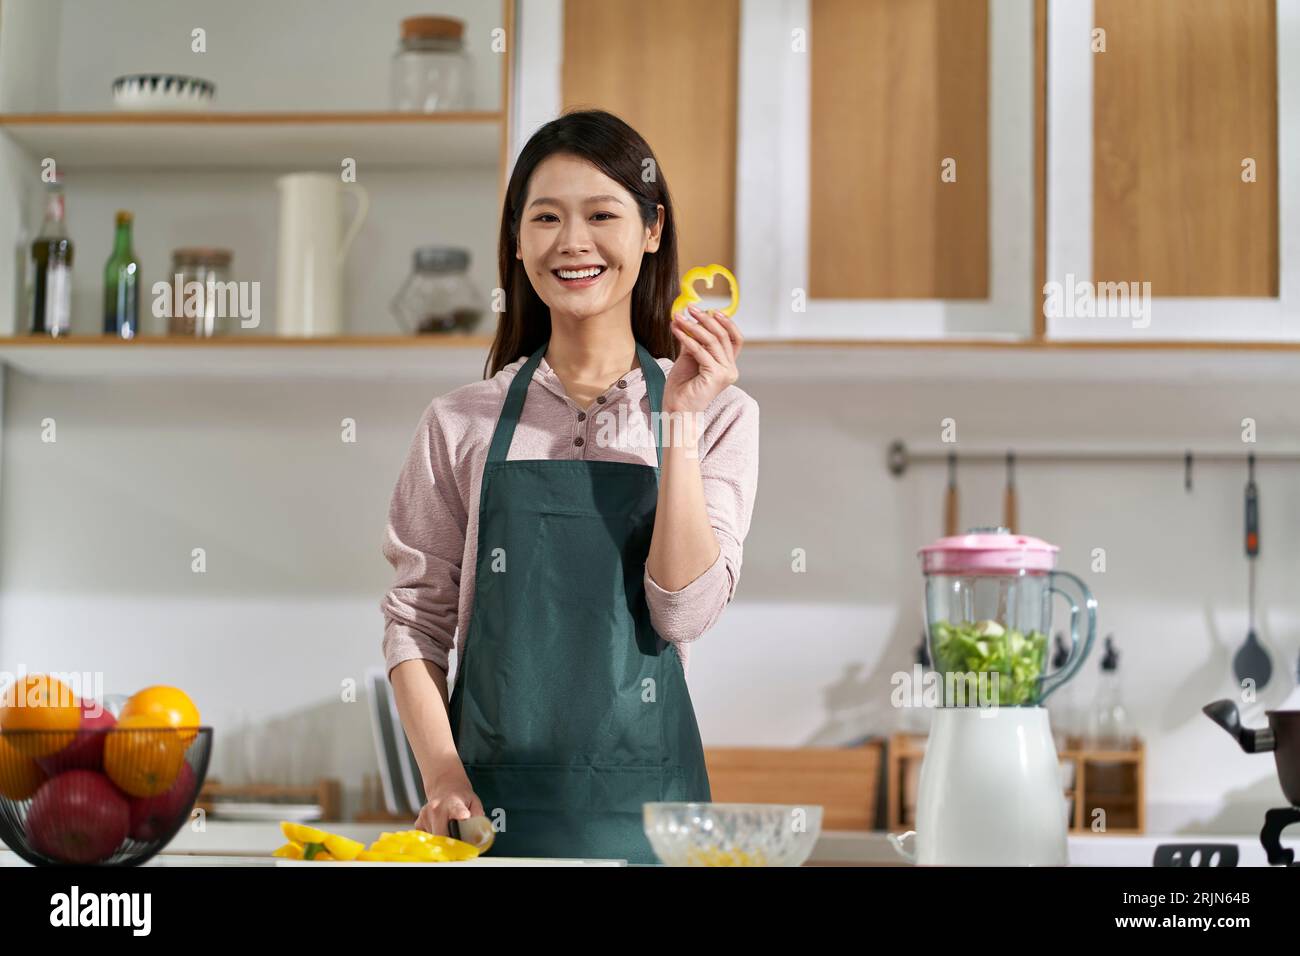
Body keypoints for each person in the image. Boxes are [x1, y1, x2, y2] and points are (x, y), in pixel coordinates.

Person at [380, 109, 760, 863]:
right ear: (517, 242)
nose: (573, 241)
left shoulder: (720, 415)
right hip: (487, 817)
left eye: (601, 214)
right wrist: (443, 773)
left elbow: (682, 610)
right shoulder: (460, 421)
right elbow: (414, 619)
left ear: (652, 230)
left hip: (656, 825)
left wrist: (677, 420)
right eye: (546, 217)